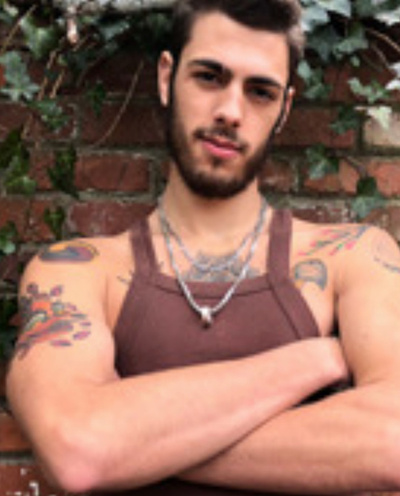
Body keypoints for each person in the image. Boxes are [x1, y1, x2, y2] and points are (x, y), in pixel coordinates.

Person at [6, 0, 400, 494]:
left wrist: (136, 444)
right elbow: (79, 450)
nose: (230, 112)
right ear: (166, 78)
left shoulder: (353, 257)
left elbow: (393, 441)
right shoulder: (78, 270)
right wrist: (316, 361)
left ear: (284, 109)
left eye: (260, 92)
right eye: (210, 77)